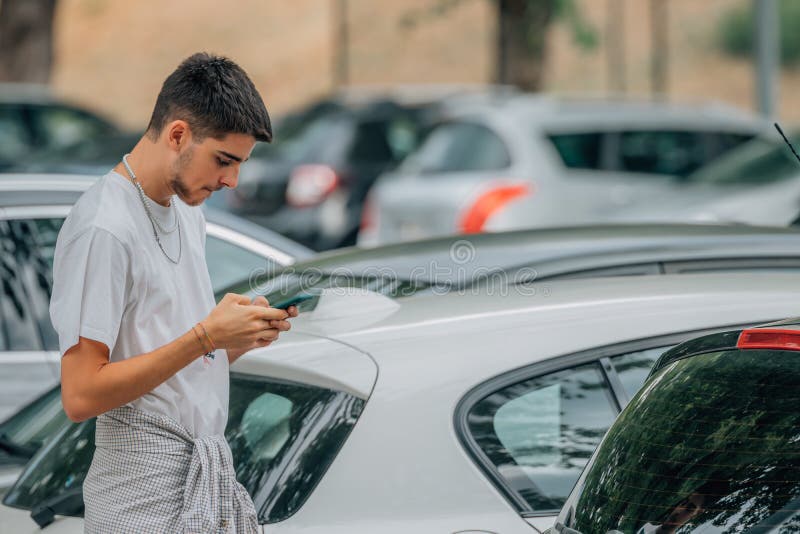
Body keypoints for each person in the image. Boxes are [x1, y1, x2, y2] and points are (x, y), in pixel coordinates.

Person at [49, 52, 297, 533]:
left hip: (196, 482)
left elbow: (173, 374)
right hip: (139, 498)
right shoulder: (104, 226)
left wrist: (232, 341)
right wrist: (205, 337)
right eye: (223, 160)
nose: (231, 180)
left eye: (239, 164)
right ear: (178, 134)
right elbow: (80, 395)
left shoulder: (187, 211)